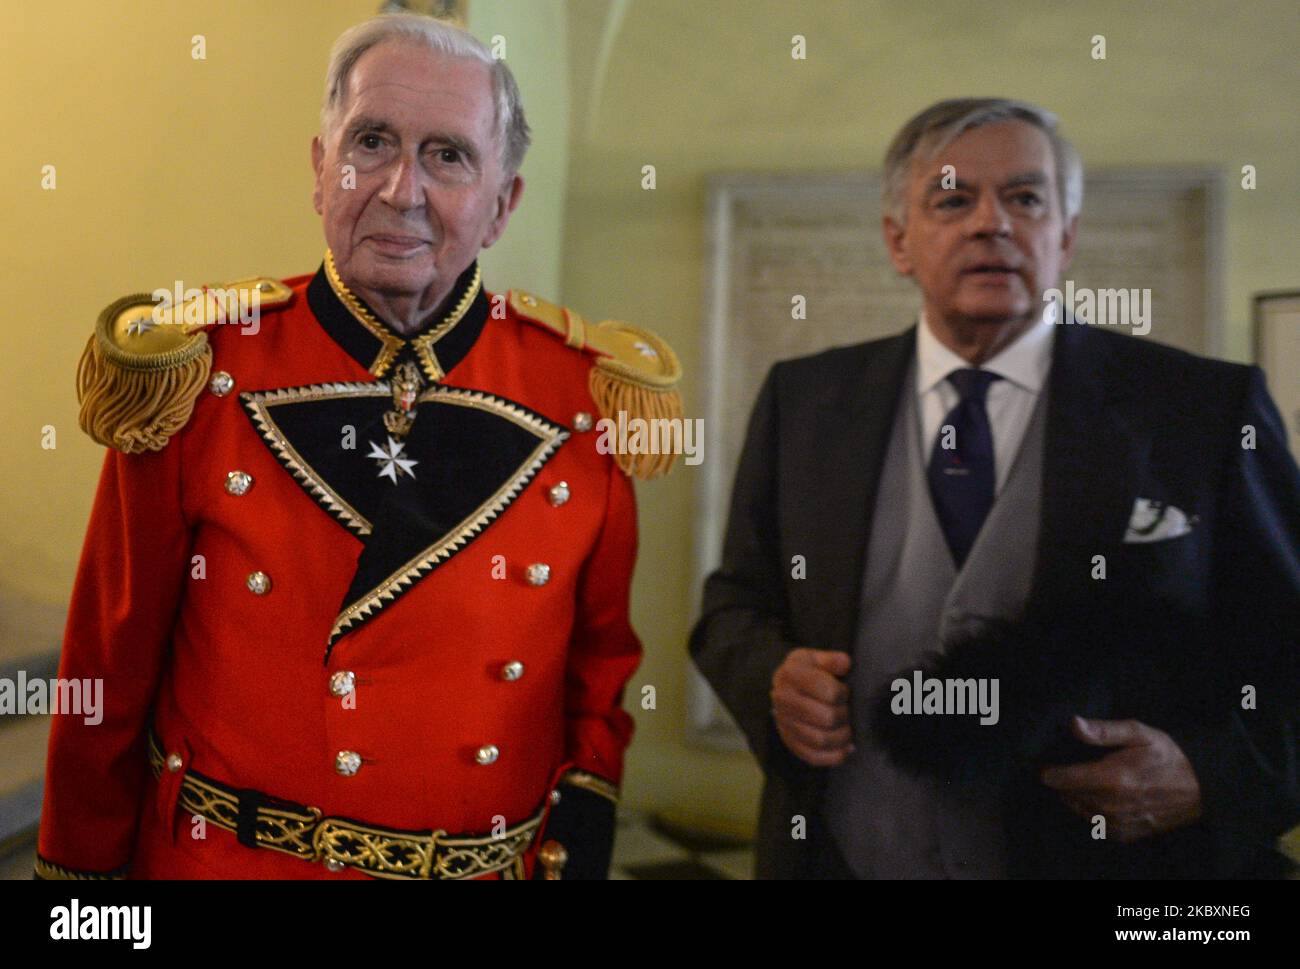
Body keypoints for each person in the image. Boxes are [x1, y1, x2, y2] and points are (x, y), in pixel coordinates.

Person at [37, 13, 681, 881]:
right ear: (320, 168)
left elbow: (600, 674)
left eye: (448, 155)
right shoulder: (197, 377)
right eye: (371, 142)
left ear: (503, 204)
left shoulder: (585, 402)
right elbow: (104, 673)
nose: (401, 189)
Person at [689, 98, 1300, 879]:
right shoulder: (804, 401)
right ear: (898, 241)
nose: (991, 223)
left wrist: (1209, 774)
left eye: (1025, 197)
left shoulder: (1204, 410)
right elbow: (733, 604)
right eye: (952, 200)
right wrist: (771, 677)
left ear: (1066, 235)